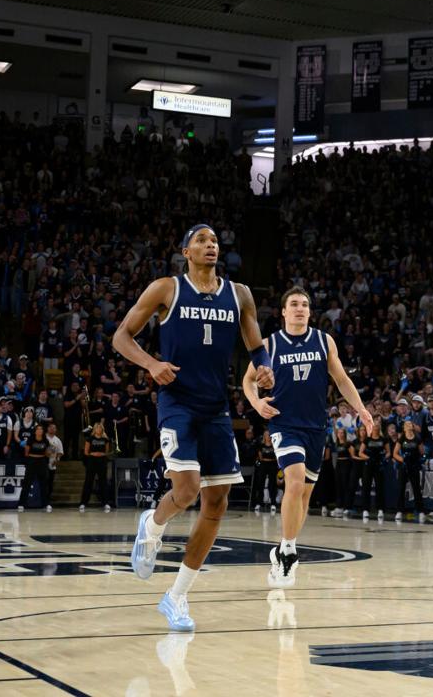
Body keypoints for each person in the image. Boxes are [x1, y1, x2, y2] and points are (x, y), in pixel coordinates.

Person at [114, 224, 274, 632]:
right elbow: (121, 337)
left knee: (217, 503)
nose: (210, 245)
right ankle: (152, 525)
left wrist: (264, 368)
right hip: (178, 402)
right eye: (201, 241)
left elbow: (255, 345)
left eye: (215, 241)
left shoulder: (239, 294)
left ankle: (176, 597)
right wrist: (151, 364)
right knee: (186, 489)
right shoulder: (166, 288)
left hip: (216, 406)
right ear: (185, 250)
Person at [243, 286, 373, 586]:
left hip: (316, 426)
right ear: (284, 312)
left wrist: (362, 409)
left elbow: (341, 378)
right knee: (295, 479)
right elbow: (247, 381)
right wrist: (256, 402)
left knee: (304, 496)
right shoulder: (269, 344)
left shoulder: (324, 341)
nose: (300, 308)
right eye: (294, 304)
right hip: (284, 424)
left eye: (304, 304)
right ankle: (289, 551)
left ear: (309, 312)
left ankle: (282, 546)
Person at [79, 421, 112, 510]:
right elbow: (86, 452)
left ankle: (105, 503)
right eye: (97, 428)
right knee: (88, 481)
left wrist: (101, 454)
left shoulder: (105, 439)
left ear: (102, 429)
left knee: (103, 482)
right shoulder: (90, 438)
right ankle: (83, 503)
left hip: (102, 461)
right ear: (94, 429)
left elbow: (107, 452)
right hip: (92, 461)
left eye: (100, 428)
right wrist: (93, 454)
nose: (99, 429)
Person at [20, 423, 50, 512]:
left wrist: (51, 452)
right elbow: (26, 453)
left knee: (44, 484)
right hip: (32, 462)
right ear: (35, 431)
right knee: (27, 483)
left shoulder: (46, 440)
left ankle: (46, 504)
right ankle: (21, 504)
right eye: (38, 429)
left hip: (42, 462)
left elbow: (46, 453)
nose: (39, 431)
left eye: (41, 429)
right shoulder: (30, 440)